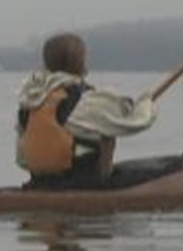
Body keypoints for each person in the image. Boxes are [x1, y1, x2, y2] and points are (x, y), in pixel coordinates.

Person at [15, 32, 158, 189]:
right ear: (79, 62)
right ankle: (105, 179)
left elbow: (22, 157)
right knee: (107, 133)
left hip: (39, 183)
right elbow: (134, 122)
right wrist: (146, 103)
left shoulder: (31, 99)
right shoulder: (84, 100)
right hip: (82, 183)